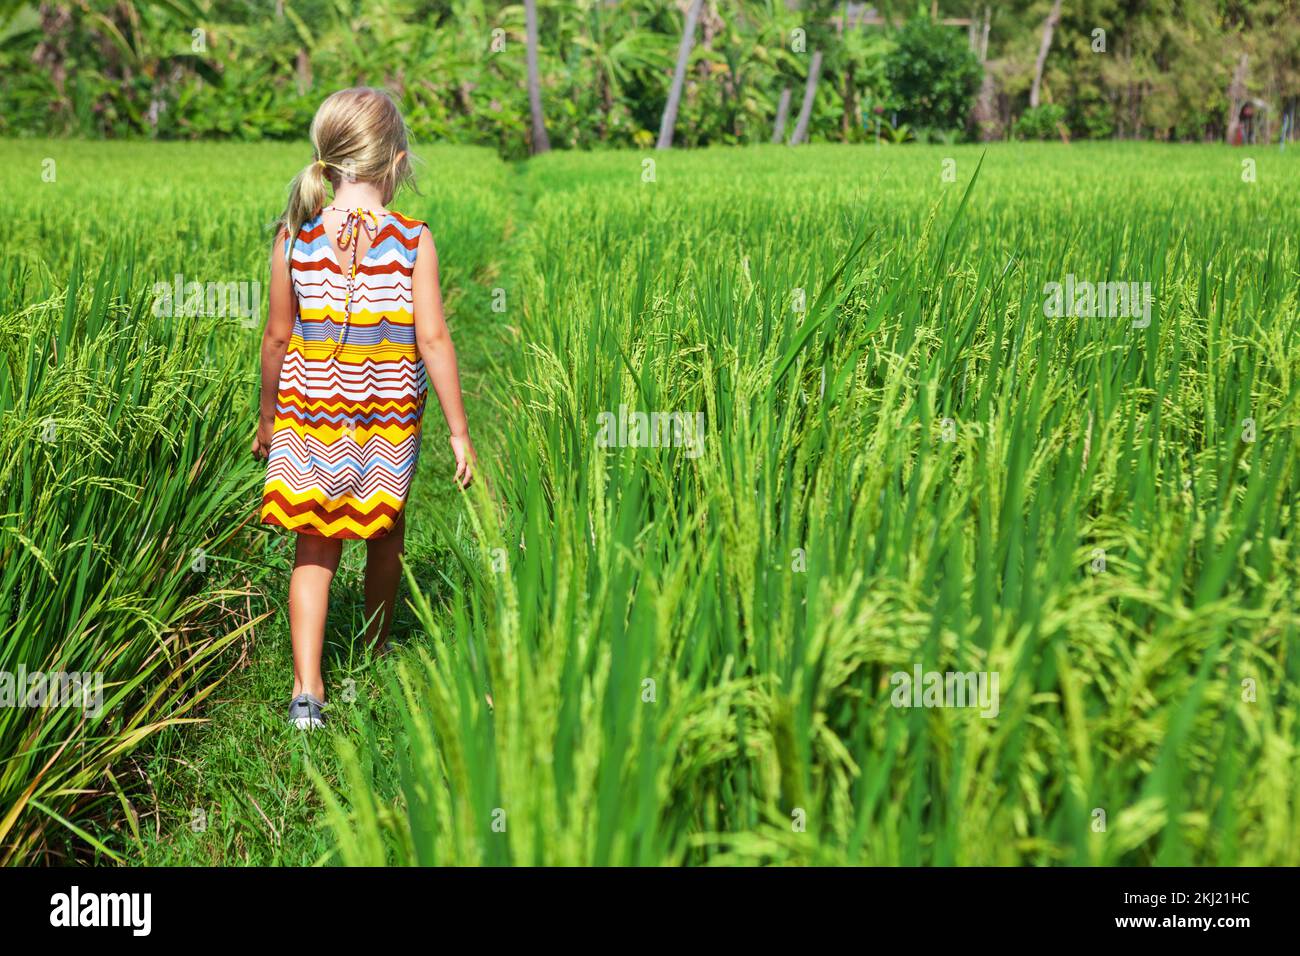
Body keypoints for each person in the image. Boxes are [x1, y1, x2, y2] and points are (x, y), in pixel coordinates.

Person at [252, 87, 476, 730]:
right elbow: (433, 339)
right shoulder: (412, 240)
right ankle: (376, 647)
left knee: (314, 552)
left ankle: (307, 690)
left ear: (328, 160)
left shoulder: (293, 238)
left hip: (304, 418)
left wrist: (266, 417)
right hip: (387, 423)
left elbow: (275, 339)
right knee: (386, 533)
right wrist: (460, 433)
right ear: (396, 163)